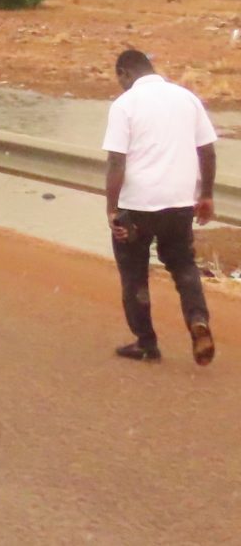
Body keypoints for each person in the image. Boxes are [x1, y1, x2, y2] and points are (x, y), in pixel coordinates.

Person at [103, 49, 218, 365]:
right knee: (183, 265)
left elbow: (116, 161)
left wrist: (112, 210)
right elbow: (207, 152)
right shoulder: (186, 98)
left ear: (124, 73)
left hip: (136, 206)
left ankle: (146, 343)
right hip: (179, 203)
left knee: (134, 273)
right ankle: (198, 319)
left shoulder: (124, 105)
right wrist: (205, 195)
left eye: (119, 79)